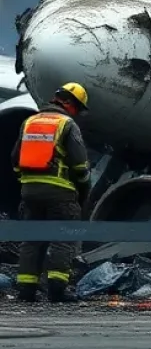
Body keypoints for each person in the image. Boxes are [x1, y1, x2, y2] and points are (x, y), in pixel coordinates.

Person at [12, 82, 91, 304]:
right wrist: (84, 188)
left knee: (31, 240)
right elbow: (79, 165)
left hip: (29, 192)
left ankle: (26, 291)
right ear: (71, 104)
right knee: (62, 239)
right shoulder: (66, 124)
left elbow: (15, 158)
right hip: (60, 192)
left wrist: (26, 182)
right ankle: (57, 290)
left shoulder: (29, 121)